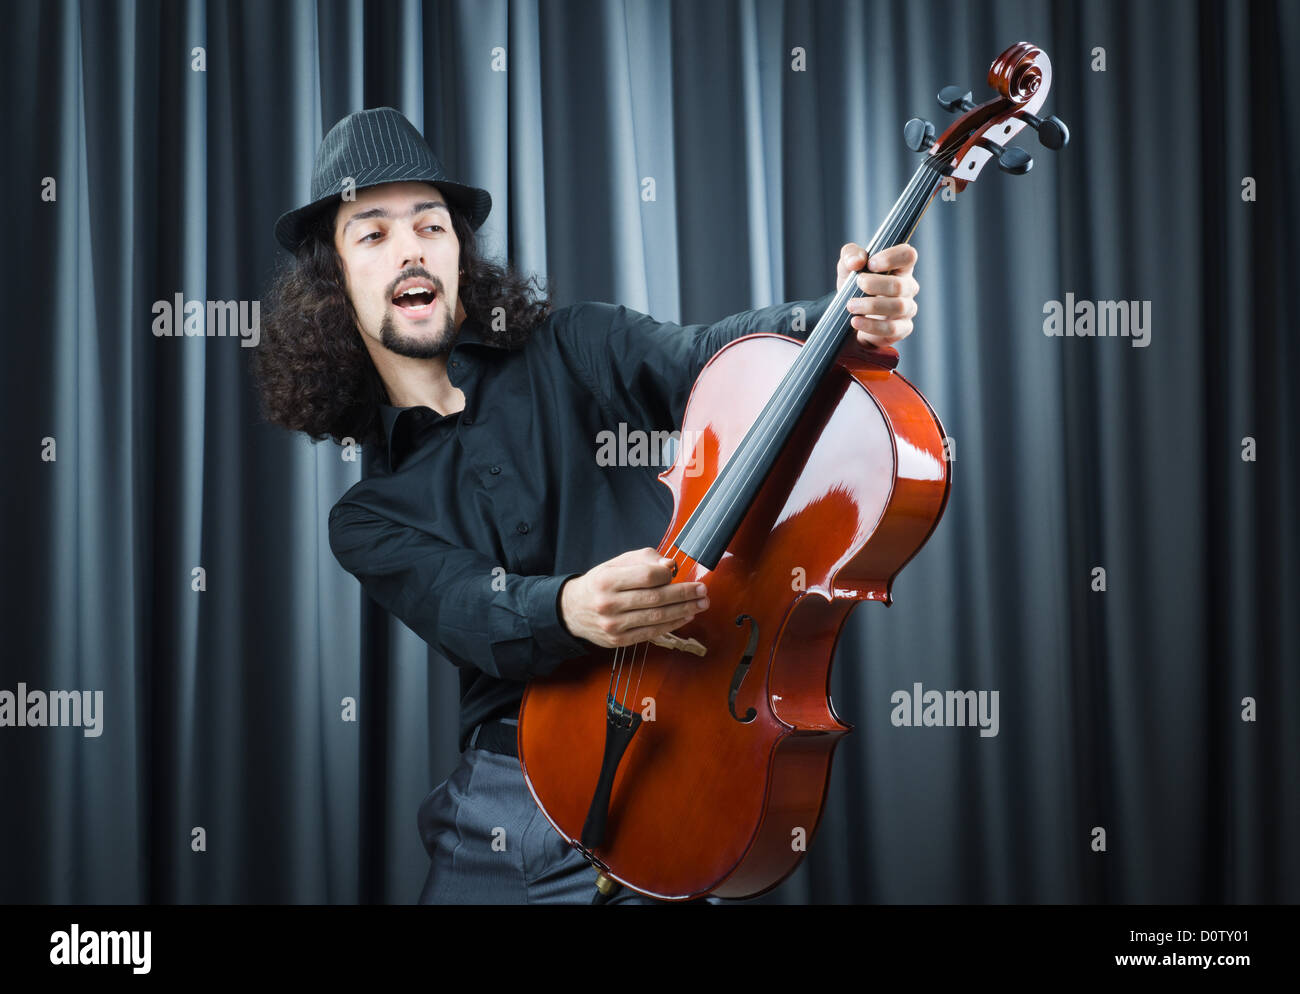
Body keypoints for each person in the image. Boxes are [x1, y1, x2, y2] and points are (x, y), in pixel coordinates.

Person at [254, 107, 920, 905]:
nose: (411, 248)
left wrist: (834, 318)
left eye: (431, 225)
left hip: (670, 766)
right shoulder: (368, 518)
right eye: (372, 233)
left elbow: (711, 357)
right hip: (506, 799)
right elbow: (468, 607)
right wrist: (570, 607)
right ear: (336, 284)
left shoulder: (574, 345)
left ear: (457, 254)